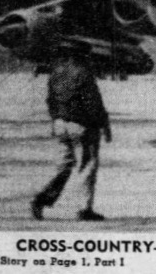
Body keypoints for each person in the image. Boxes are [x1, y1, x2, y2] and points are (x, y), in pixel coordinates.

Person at [31, 55, 110, 221]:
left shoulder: (56, 72)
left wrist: (57, 119)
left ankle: (42, 198)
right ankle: (83, 209)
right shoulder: (84, 73)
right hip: (81, 125)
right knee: (87, 165)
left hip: (60, 125)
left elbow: (50, 100)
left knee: (64, 166)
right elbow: (93, 103)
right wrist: (103, 124)